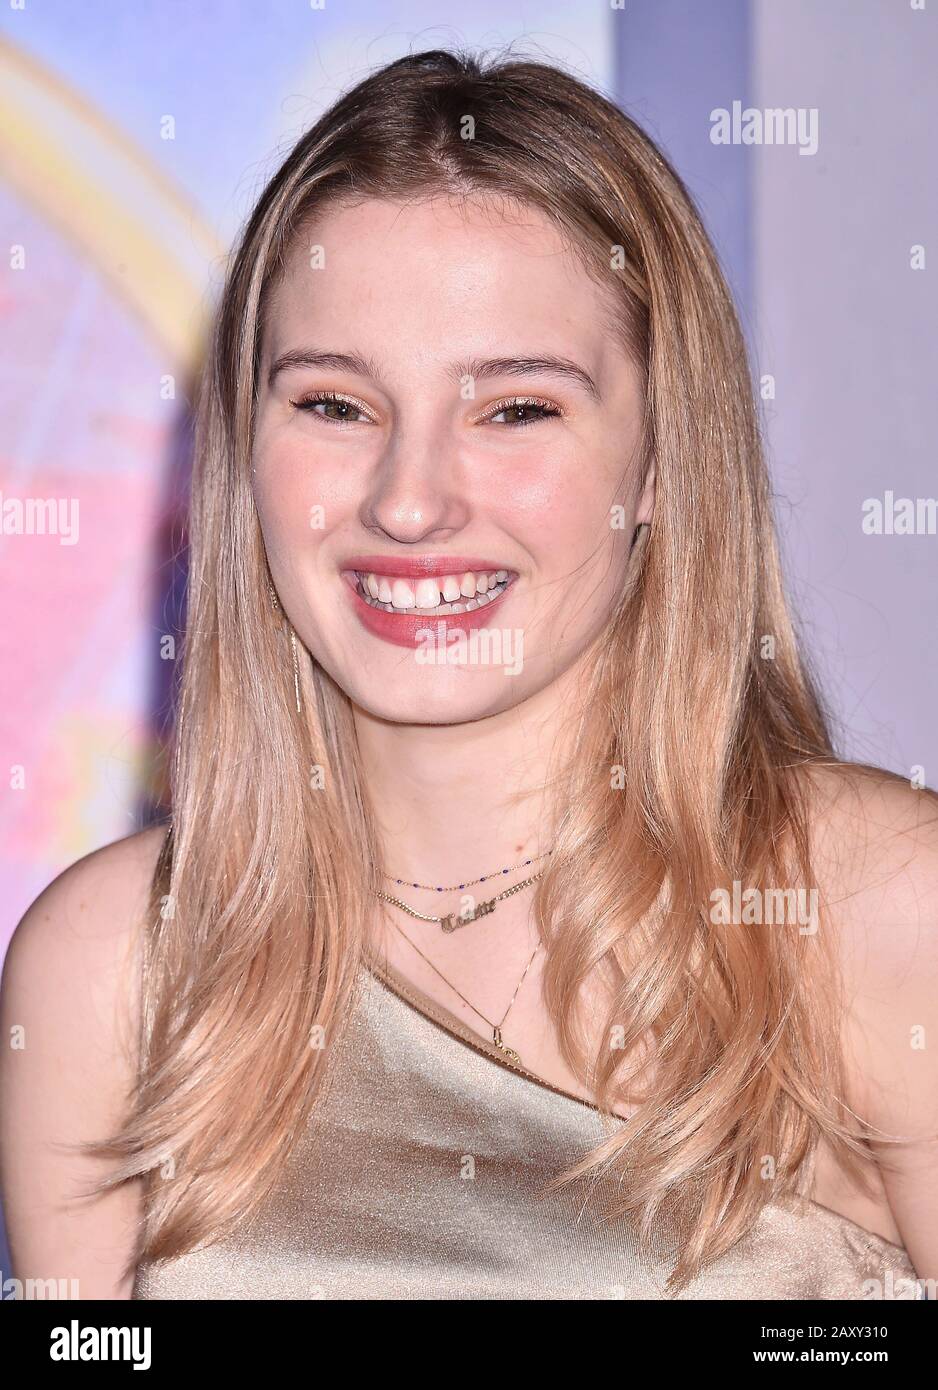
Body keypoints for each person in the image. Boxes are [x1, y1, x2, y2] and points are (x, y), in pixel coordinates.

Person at [2, 49, 936, 1301]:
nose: (408, 500)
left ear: (662, 461)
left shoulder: (873, 914)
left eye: (514, 410)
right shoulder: (113, 964)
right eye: (334, 405)